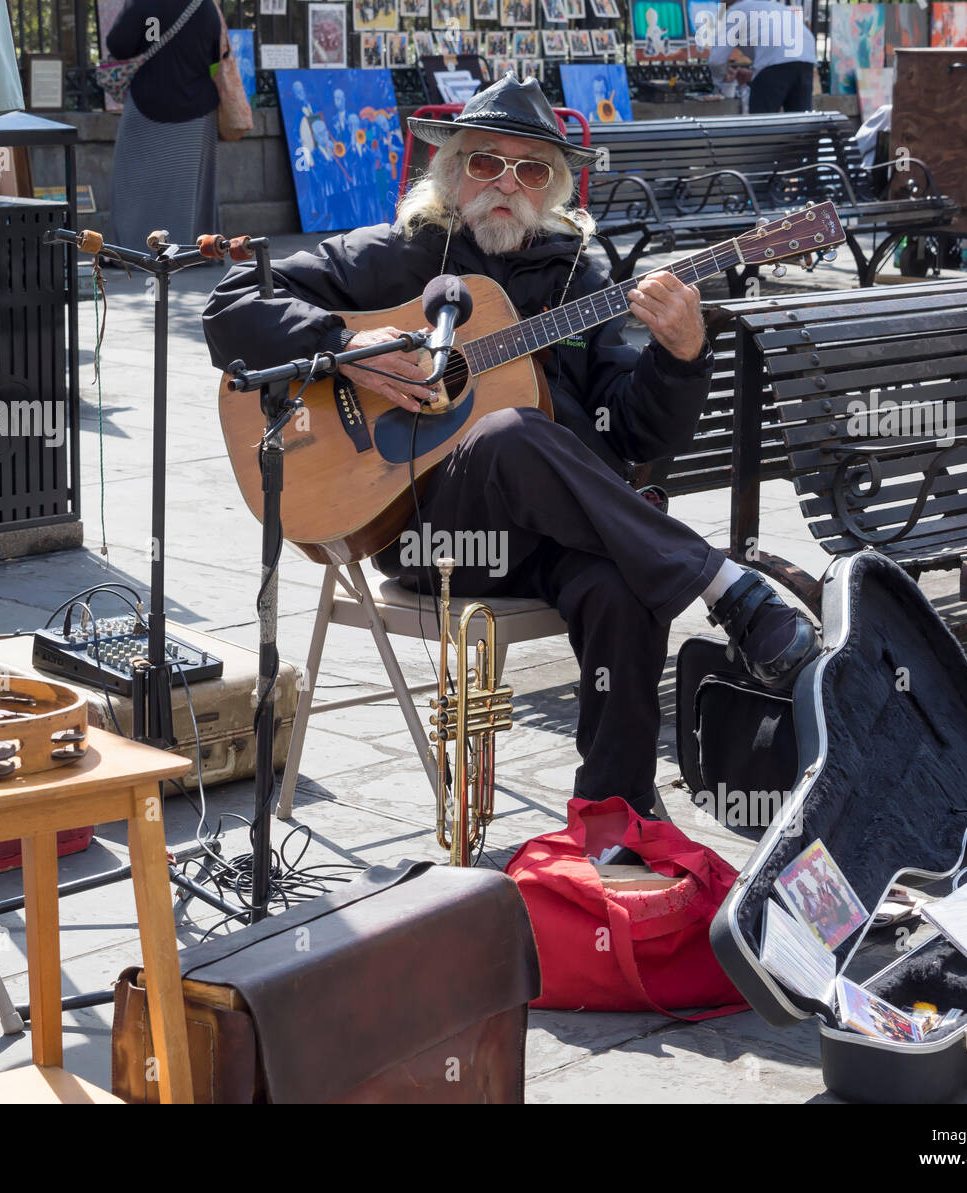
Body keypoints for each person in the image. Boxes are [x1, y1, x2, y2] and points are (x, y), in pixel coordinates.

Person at [202, 76, 819, 816]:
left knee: (623, 584)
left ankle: (615, 819)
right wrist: (343, 344)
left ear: (553, 187)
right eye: (486, 162)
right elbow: (231, 302)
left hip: (553, 531)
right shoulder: (398, 255)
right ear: (451, 169)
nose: (506, 183)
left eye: (530, 169)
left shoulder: (579, 277)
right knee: (508, 431)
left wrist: (680, 358)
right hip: (432, 533)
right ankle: (724, 584)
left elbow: (633, 434)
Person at [106, 0, 222, 254]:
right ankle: (199, 249)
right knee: (193, 189)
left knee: (132, 183)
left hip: (148, 103)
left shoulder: (143, 4)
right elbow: (216, 51)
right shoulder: (204, 5)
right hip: (197, 109)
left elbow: (117, 45)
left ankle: (135, 250)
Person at [704, 0, 817, 114]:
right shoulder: (772, 6)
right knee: (800, 121)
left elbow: (716, 60)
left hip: (777, 61)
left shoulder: (735, 12)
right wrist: (755, 75)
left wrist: (723, 78)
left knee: (761, 122)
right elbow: (782, 59)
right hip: (806, 57)